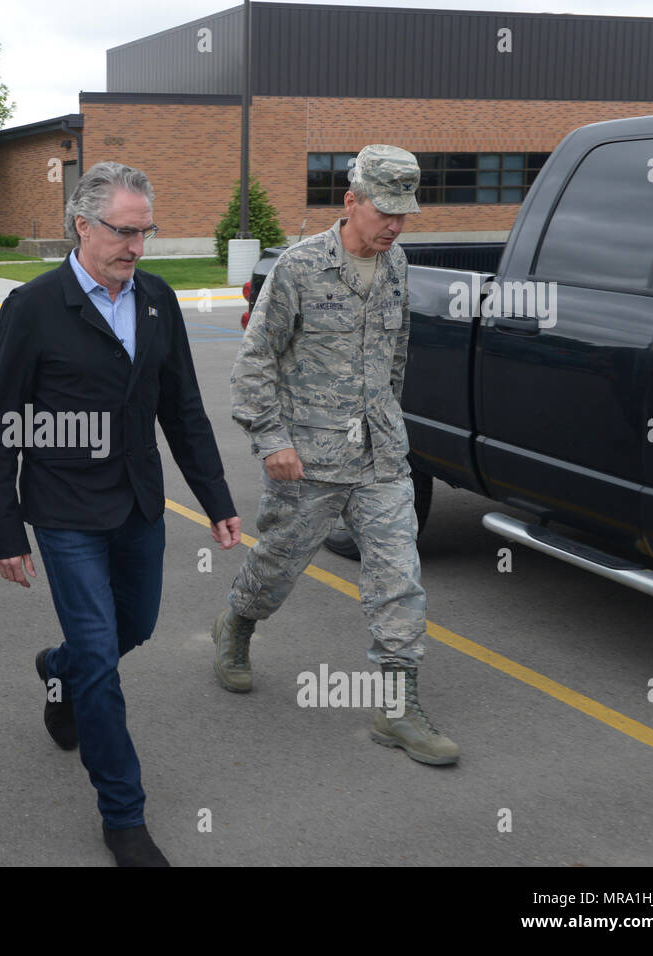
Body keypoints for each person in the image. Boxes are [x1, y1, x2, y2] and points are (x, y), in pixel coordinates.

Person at [0, 161, 241, 867]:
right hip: (64, 509)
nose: (137, 246)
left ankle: (56, 667)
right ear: (83, 226)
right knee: (103, 655)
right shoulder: (34, 307)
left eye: (145, 231)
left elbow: (181, 408)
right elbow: (5, 424)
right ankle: (123, 813)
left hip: (137, 503)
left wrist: (216, 498)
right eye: (124, 232)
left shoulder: (155, 299)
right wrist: (7, 530)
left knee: (136, 626)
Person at [213, 144, 459, 766]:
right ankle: (237, 623)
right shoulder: (299, 268)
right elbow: (255, 362)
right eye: (385, 212)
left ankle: (396, 707)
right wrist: (272, 440)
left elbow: (396, 352)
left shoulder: (398, 265)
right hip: (310, 462)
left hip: (381, 459)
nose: (395, 226)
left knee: (399, 579)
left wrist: (391, 422)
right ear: (350, 202)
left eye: (405, 214)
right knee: (275, 570)